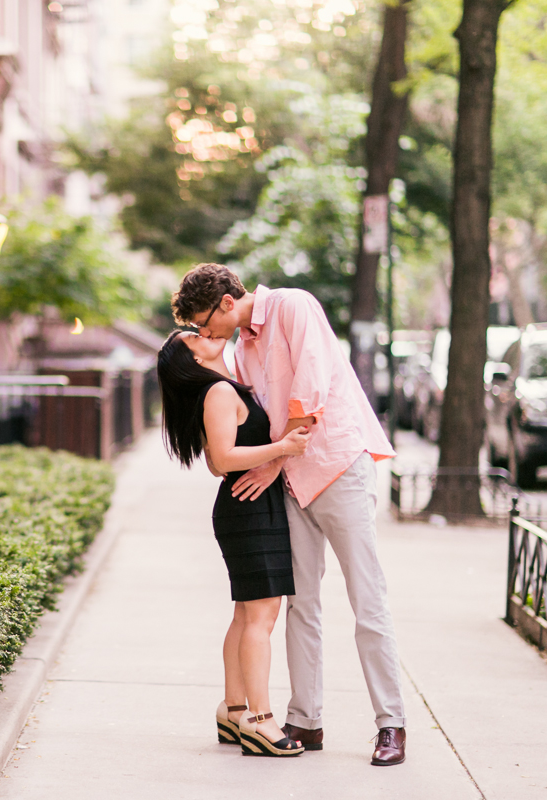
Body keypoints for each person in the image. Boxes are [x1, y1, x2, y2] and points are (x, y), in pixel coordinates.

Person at [170, 263, 407, 767]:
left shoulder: (293, 305)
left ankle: (391, 724)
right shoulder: (238, 350)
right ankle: (307, 718)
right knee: (302, 606)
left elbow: (309, 395)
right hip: (292, 485)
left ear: (227, 302)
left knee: (367, 599)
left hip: (337, 466)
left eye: (205, 322)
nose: (204, 333)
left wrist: (273, 460)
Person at [157, 328, 312, 758]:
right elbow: (222, 459)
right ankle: (261, 721)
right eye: (195, 337)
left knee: (247, 615)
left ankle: (234, 709)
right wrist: (281, 447)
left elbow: (213, 463)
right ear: (194, 359)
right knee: (261, 615)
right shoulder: (220, 392)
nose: (206, 333)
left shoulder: (220, 390)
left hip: (244, 506)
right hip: (249, 510)